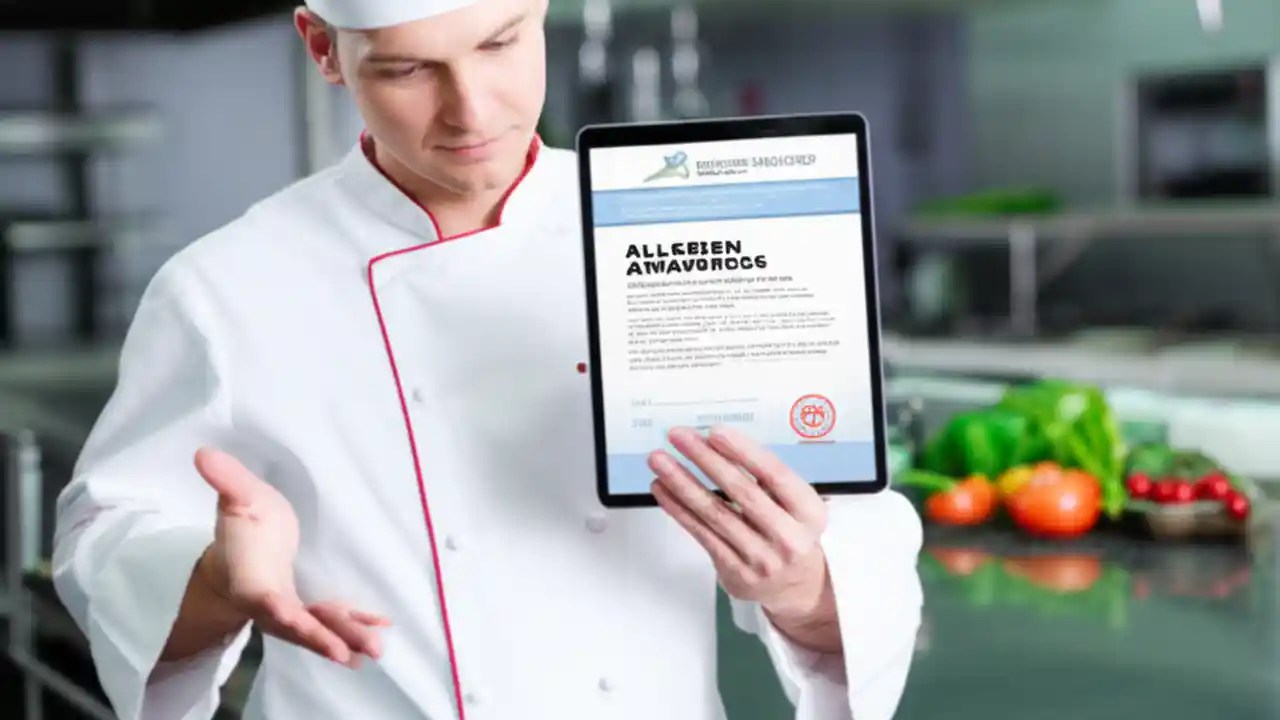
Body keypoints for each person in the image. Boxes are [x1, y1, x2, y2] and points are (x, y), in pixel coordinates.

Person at [51, 0, 924, 718]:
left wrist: (804, 584)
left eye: (501, 42)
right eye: (408, 69)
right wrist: (212, 582)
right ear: (323, 46)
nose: (473, 109)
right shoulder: (227, 283)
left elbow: (848, 518)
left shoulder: (684, 231)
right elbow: (104, 531)